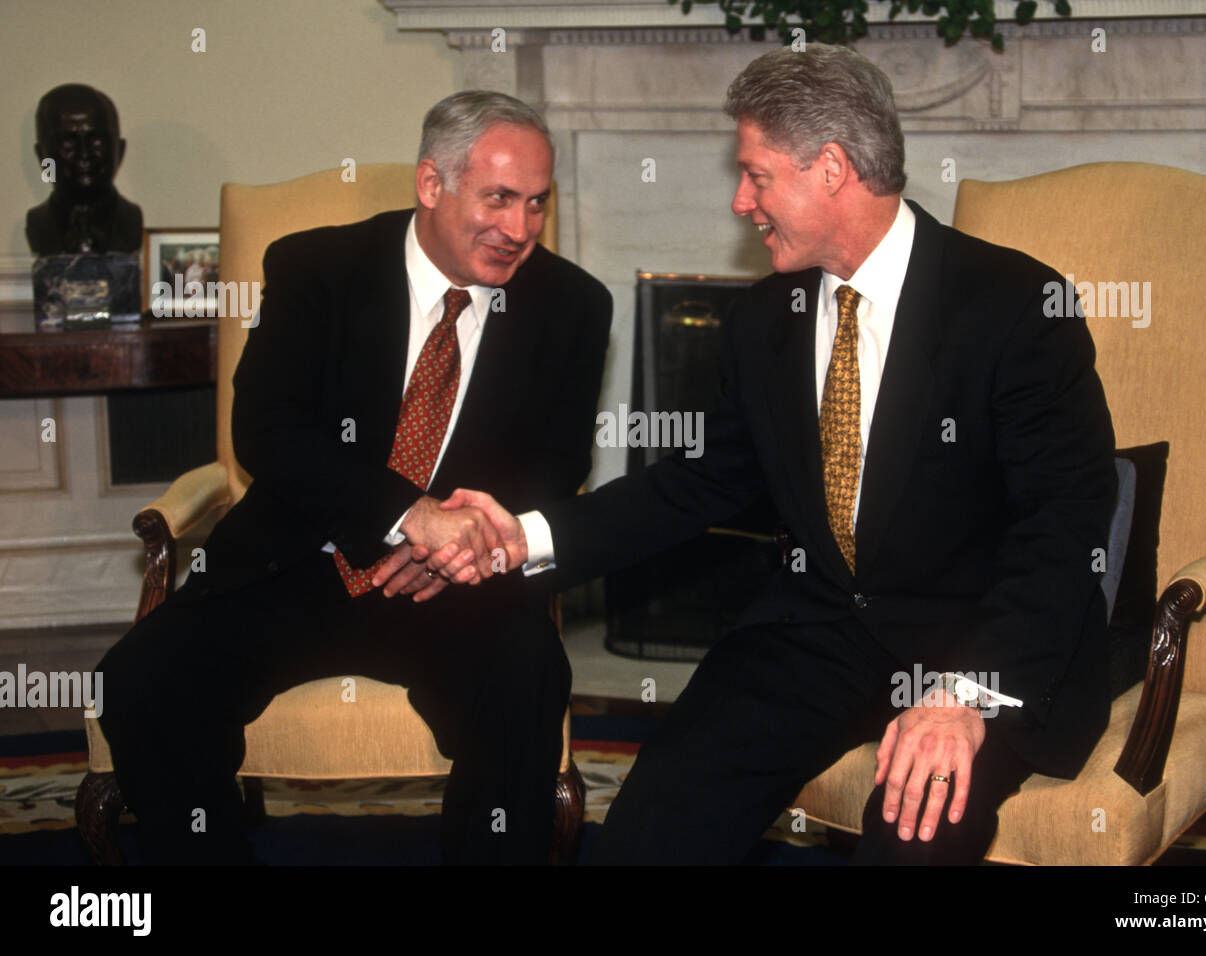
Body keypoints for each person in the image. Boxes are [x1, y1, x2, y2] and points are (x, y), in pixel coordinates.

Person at [403, 45, 1118, 864]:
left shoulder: (1016, 308)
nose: (741, 201)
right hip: (816, 635)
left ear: (832, 169)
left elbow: (1063, 531)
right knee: (651, 829)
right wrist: (519, 536)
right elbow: (699, 483)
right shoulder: (763, 320)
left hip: (977, 644)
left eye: (757, 175)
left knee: (911, 838)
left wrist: (964, 696)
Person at [96, 91, 612, 865]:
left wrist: (460, 549)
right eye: (499, 198)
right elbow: (266, 431)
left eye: (537, 204)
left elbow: (555, 468)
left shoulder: (572, 305)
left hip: (455, 591)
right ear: (431, 184)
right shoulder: (317, 268)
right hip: (297, 560)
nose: (520, 229)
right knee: (140, 682)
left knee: (527, 678)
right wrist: (408, 516)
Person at [26, 83, 143, 256]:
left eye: (96, 140)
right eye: (68, 142)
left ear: (120, 149)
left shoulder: (131, 221)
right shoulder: (38, 223)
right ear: (42, 157)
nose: (84, 153)